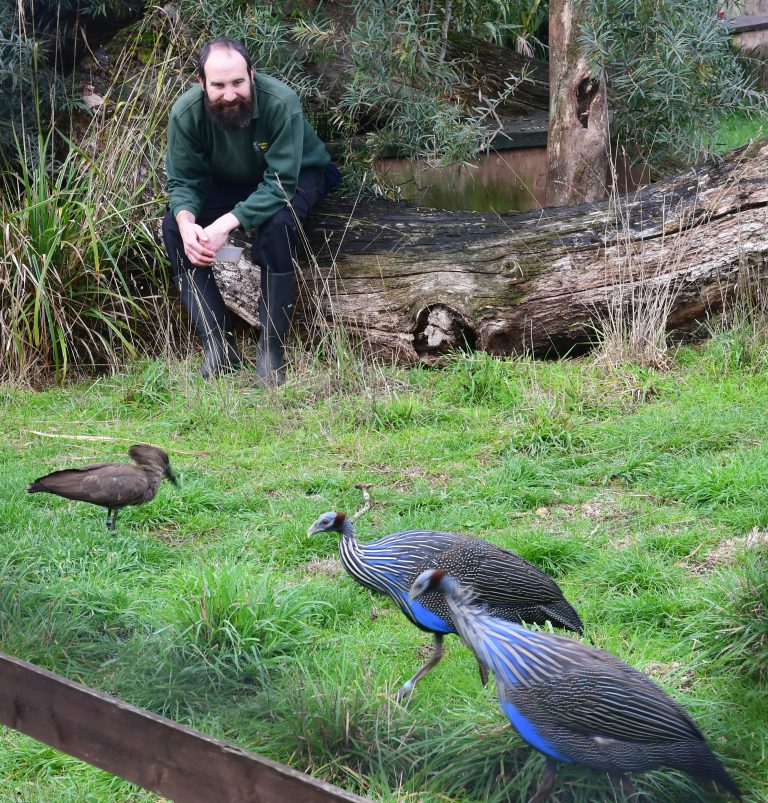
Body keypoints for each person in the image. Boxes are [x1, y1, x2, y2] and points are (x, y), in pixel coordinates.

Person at [162, 37, 340, 383]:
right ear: (202, 83)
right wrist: (187, 225)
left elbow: (279, 184)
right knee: (172, 227)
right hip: (230, 182)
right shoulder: (185, 113)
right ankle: (218, 347)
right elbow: (184, 183)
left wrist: (225, 224)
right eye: (219, 85)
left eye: (238, 82)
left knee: (276, 225)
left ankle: (271, 350)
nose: (230, 94)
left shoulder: (280, 102)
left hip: (298, 174)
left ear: (252, 75)